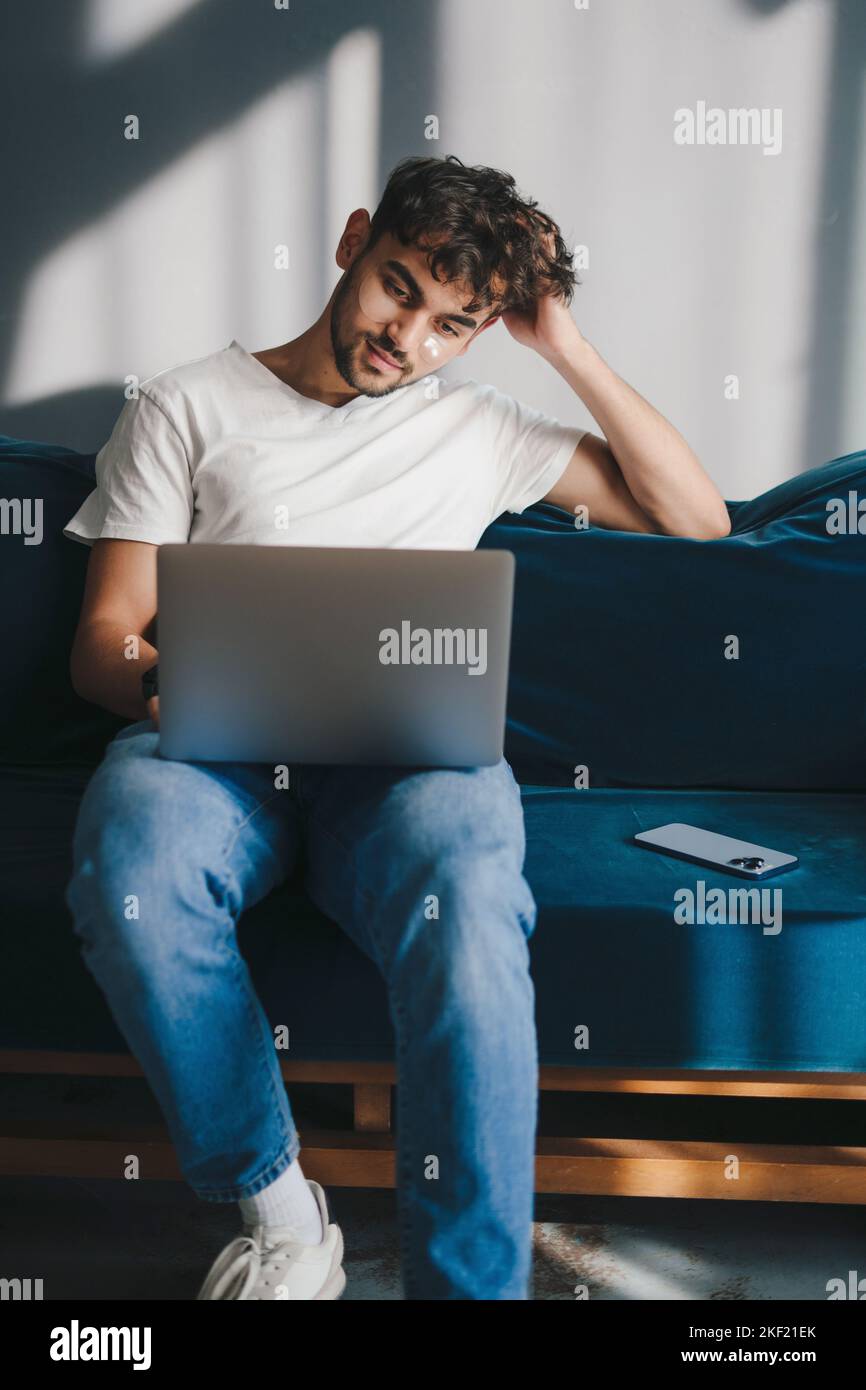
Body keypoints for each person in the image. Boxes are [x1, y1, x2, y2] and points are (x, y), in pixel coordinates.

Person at [63, 154, 730, 1302]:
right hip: (216, 750)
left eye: (449, 322)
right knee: (131, 859)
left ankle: (468, 1290)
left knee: (472, 899)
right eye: (398, 288)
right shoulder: (185, 404)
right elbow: (105, 638)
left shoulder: (481, 426)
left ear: (481, 333)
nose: (406, 336)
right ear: (352, 241)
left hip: (411, 768)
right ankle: (282, 1212)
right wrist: (169, 686)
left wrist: (559, 347)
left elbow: (698, 520)